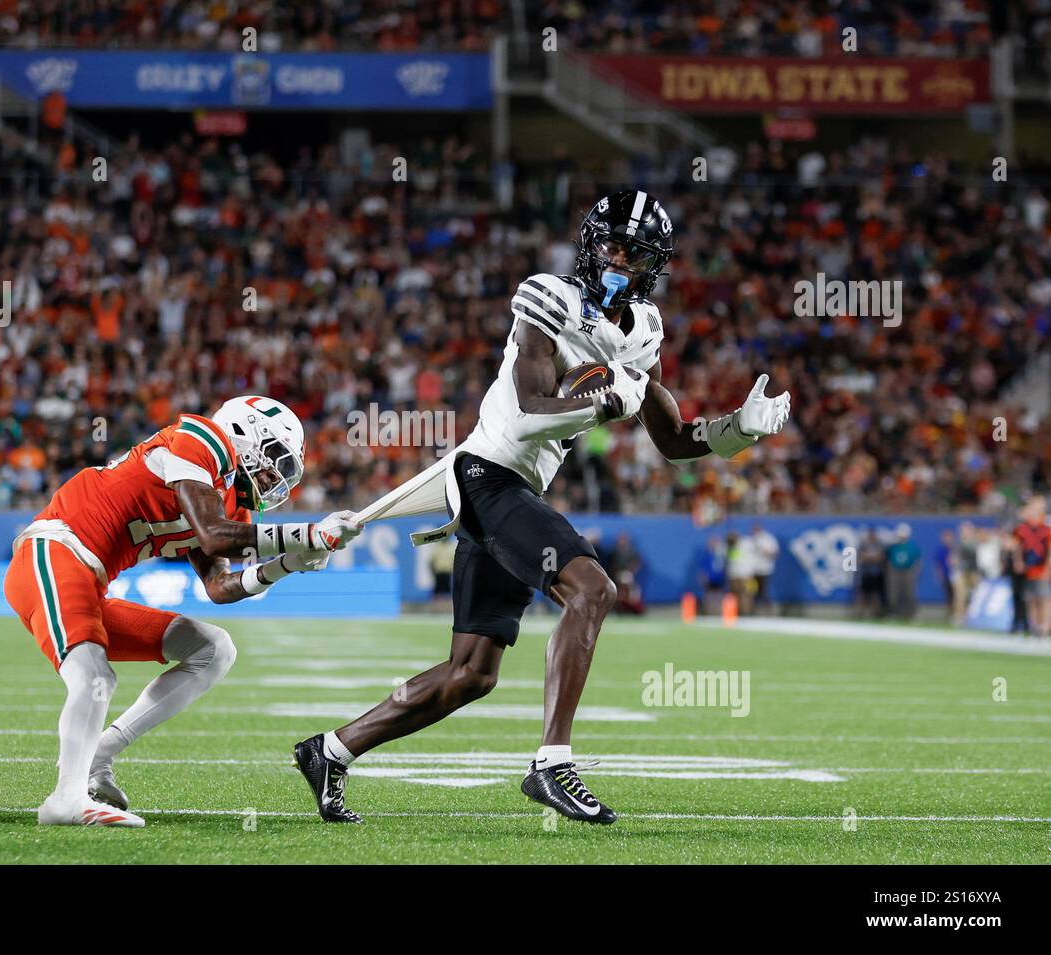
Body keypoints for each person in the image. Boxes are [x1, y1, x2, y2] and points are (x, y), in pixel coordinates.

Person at [292, 191, 791, 825]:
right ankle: (552, 765)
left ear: (652, 263)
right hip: (486, 476)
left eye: (632, 250)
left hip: (513, 492)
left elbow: (672, 439)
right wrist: (604, 401)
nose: (615, 256)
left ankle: (331, 751)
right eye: (608, 241)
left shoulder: (644, 330)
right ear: (588, 241)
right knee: (593, 589)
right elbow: (529, 413)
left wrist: (738, 430)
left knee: (470, 674)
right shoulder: (548, 297)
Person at [3, 396, 361, 827]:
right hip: (54, 549)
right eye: (273, 460)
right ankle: (66, 798)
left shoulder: (227, 500)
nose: (273, 478)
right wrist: (307, 533)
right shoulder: (201, 440)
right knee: (94, 676)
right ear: (246, 436)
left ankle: (99, 754)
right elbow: (212, 537)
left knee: (214, 648)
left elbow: (221, 587)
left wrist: (287, 563)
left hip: (87, 580)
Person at [1013, 496, 1051, 637]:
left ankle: (1045, 626)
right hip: (1028, 569)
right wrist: (1018, 561)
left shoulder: (1046, 528)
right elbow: (1018, 547)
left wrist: (1048, 568)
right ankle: (1033, 625)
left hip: (1042, 569)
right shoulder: (1022, 528)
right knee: (1031, 598)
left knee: (1045, 598)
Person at [885, 528, 922, 620]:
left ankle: (910, 614)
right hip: (895, 571)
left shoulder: (911, 547)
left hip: (908, 571)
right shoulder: (893, 547)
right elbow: (888, 559)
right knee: (894, 593)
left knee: (909, 593)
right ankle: (895, 613)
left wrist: (915, 573)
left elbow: (917, 561)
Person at [609, 532, 644, 615]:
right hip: (616, 577)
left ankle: (634, 607)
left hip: (629, 575)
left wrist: (629, 572)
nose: (622, 541)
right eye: (620, 539)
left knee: (631, 585)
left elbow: (637, 564)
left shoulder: (632, 552)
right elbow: (611, 566)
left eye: (624, 539)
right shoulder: (614, 552)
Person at [855, 529, 886, 619]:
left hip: (876, 574)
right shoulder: (863, 545)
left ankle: (876, 614)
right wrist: (872, 557)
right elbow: (861, 557)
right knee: (862, 594)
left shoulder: (879, 545)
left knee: (875, 595)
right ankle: (860, 614)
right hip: (866, 573)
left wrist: (869, 557)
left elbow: (880, 557)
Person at [750, 524, 779, 613]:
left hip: (764, 570)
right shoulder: (751, 539)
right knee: (752, 591)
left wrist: (763, 551)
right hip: (753, 571)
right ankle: (753, 610)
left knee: (763, 591)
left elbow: (775, 553)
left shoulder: (768, 539)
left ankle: (768, 611)